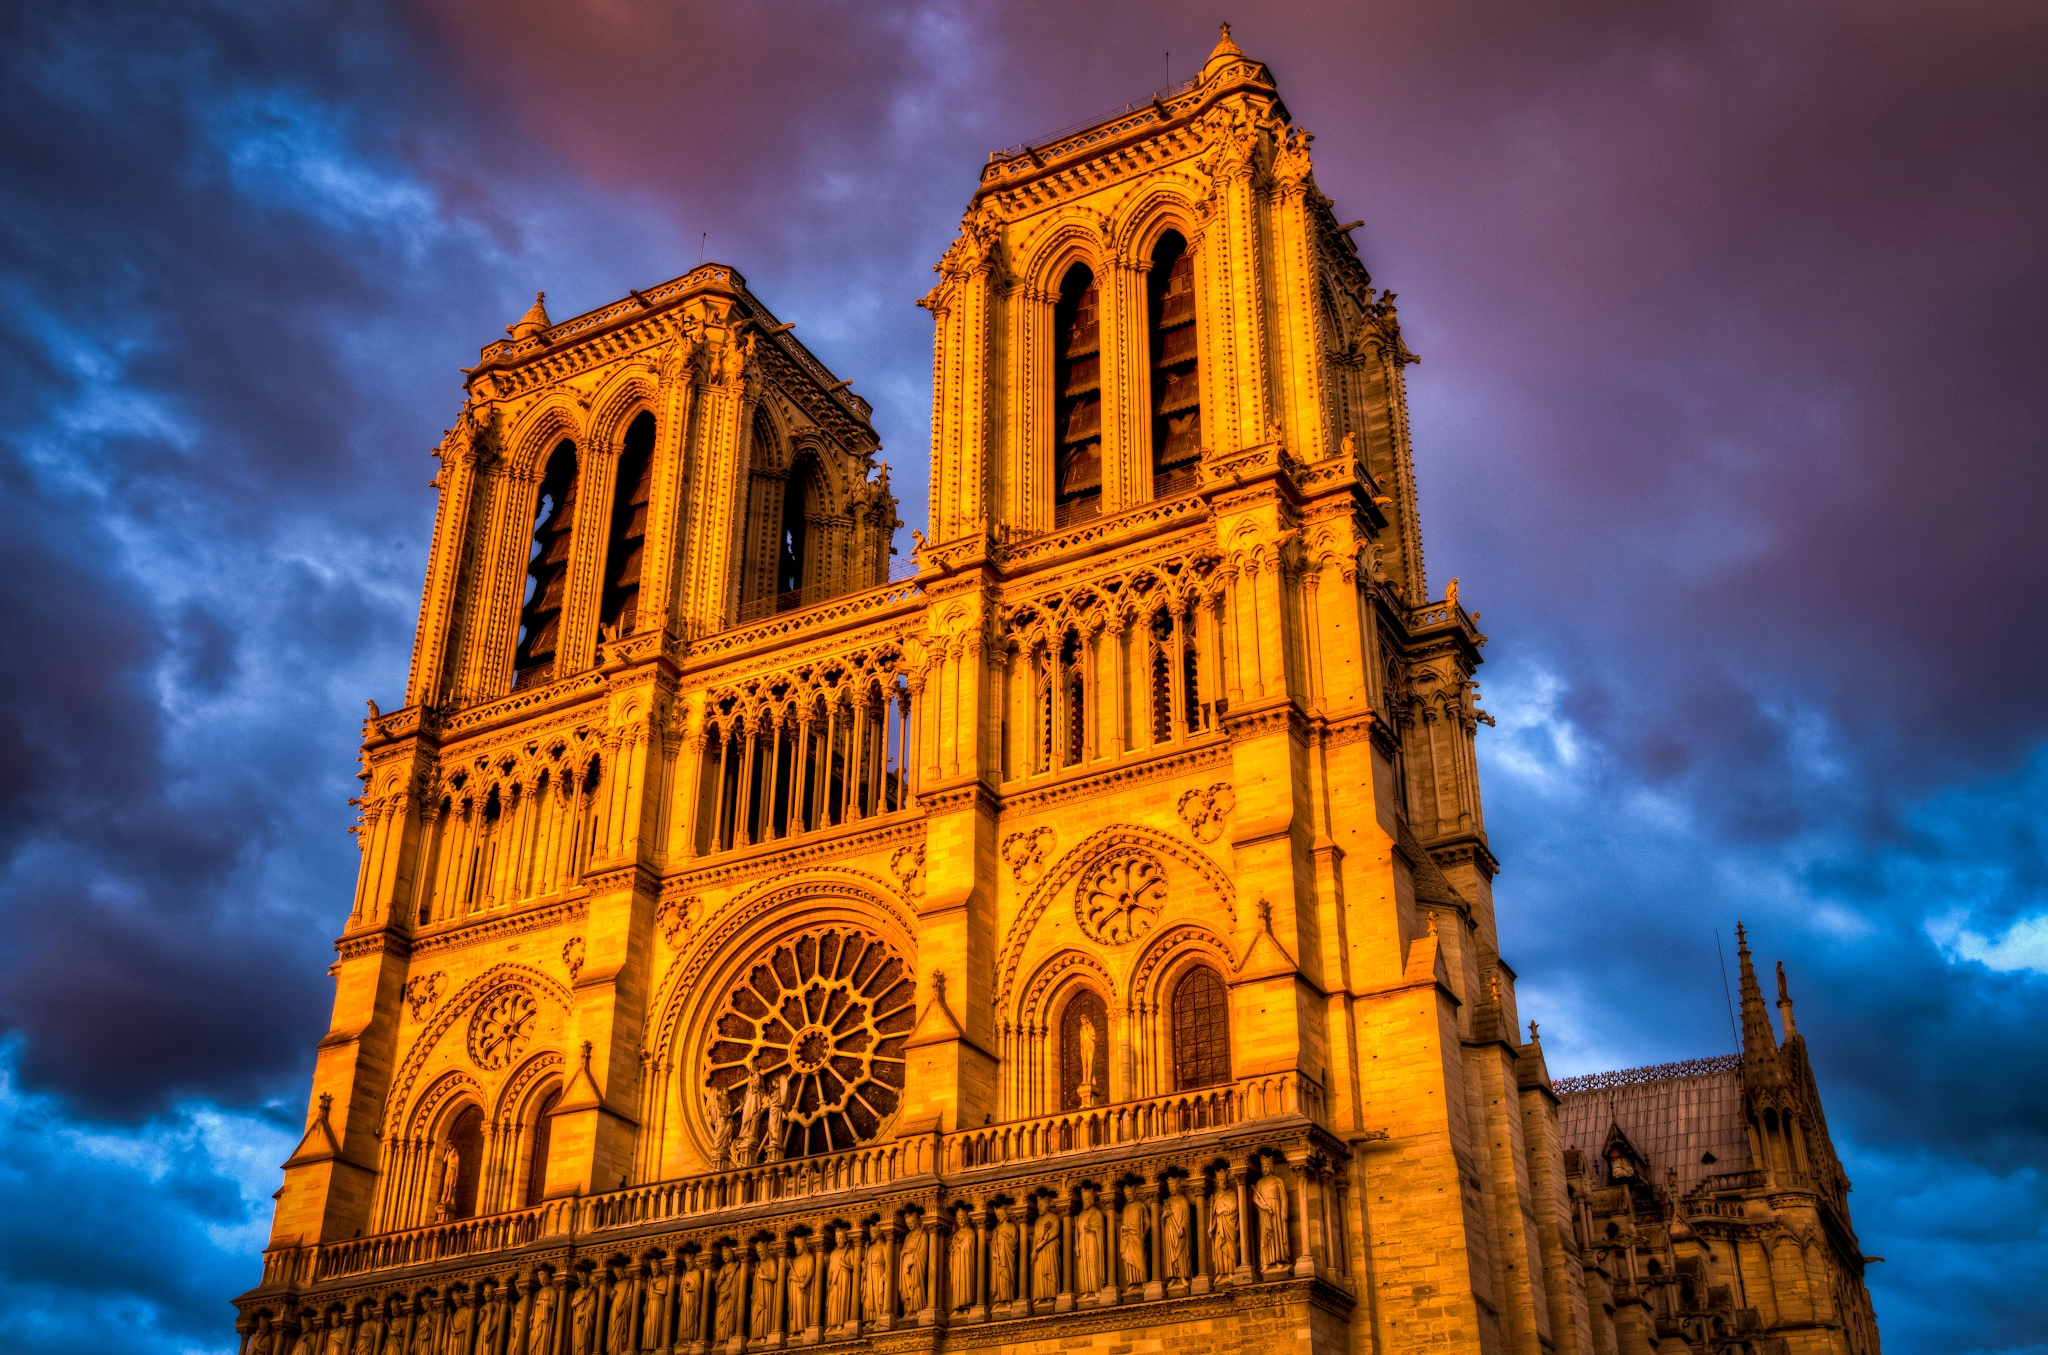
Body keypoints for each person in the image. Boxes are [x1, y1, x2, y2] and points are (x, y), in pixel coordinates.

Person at [1253, 1167, 1288, 1270]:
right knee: (1265, 1236)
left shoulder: (1278, 1180)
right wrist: (1262, 1206)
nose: (1265, 1169)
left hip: (1276, 1210)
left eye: (1267, 1166)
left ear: (1272, 1168)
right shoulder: (1260, 1182)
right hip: (1264, 1212)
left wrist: (1284, 1211)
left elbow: (1283, 1198)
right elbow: (1255, 1197)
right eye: (1263, 1167)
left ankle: (1278, 1260)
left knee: (1277, 1234)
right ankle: (1266, 1263)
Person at [1075, 1187, 1106, 1292]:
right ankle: (1086, 1290)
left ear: (1092, 1200)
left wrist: (1091, 1228)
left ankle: (1096, 1288)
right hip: (1082, 1241)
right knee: (1084, 1266)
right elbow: (1078, 1232)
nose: (1085, 1202)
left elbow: (1100, 1229)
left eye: (1087, 1199)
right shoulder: (1081, 1215)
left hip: (1092, 1240)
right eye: (1083, 1200)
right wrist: (1077, 1245)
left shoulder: (1097, 1213)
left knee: (1093, 1263)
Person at [1162, 1178, 1192, 1280]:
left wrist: (1182, 1227)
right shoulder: (1167, 1203)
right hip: (1169, 1232)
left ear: (1178, 1186)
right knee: (1170, 1254)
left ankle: (1183, 1275)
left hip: (1179, 1231)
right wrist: (1164, 1215)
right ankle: (1173, 1277)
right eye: (1170, 1187)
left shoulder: (1183, 1201)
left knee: (1182, 1253)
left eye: (1173, 1186)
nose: (1172, 1188)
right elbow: (1162, 1221)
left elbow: (1187, 1218)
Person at [826, 1227, 856, 1328]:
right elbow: (830, 1270)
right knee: (833, 1301)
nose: (839, 1240)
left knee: (842, 1299)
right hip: (835, 1278)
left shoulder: (850, 1251)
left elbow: (854, 1267)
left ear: (845, 1239)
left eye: (841, 1238)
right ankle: (831, 1323)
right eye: (837, 1238)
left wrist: (845, 1265)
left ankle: (841, 1322)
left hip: (844, 1276)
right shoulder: (833, 1253)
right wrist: (828, 1283)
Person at [990, 1205, 1019, 1304]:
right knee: (999, 1278)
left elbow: (1015, 1243)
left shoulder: (1011, 1227)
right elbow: (993, 1244)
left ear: (1004, 1215)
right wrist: (994, 1252)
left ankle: (1008, 1299)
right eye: (997, 1215)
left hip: (1007, 1257)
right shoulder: (997, 1229)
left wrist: (1007, 1236)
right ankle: (998, 1300)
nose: (998, 1217)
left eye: (999, 1215)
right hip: (998, 1258)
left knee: (1007, 1277)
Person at [1118, 1190, 1149, 1286]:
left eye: (1130, 1194)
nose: (1129, 1197)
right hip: (1128, 1237)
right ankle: (1132, 1282)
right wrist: (1123, 1228)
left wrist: (1144, 1234)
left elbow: (1148, 1222)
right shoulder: (1126, 1208)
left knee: (1140, 1258)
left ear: (1135, 1193)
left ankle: (1143, 1280)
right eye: (1127, 1195)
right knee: (1129, 1260)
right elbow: (1123, 1224)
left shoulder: (1141, 1205)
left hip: (1137, 1236)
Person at [1210, 1182, 1241, 1276]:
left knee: (1230, 1247)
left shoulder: (1232, 1194)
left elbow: (1236, 1207)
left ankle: (1231, 1271)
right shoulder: (1216, 1196)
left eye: (1223, 1179)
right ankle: (1221, 1272)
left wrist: (1223, 1209)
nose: (1222, 1182)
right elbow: (1215, 1216)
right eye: (1219, 1180)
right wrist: (1212, 1227)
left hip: (1230, 1225)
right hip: (1219, 1228)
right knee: (1218, 1248)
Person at [713, 1246, 743, 1341]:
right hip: (722, 1294)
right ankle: (720, 1339)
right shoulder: (723, 1268)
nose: (725, 1257)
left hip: (731, 1296)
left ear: (731, 1256)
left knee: (728, 1316)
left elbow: (737, 1283)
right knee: (719, 1318)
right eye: (724, 1255)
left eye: (727, 1255)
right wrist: (718, 1287)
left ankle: (728, 1337)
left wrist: (730, 1292)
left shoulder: (736, 1267)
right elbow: (719, 1280)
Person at [787, 1236, 816, 1331]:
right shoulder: (795, 1260)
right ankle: (794, 1329)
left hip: (802, 1286)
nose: (797, 1248)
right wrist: (791, 1277)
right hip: (794, 1286)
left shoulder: (809, 1258)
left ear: (804, 1245)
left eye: (798, 1245)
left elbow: (810, 1272)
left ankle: (802, 1328)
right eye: (796, 1246)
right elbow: (791, 1274)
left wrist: (804, 1283)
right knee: (794, 1307)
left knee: (800, 1306)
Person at [1031, 1207, 1061, 1298]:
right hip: (1040, 1250)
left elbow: (1055, 1233)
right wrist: (1034, 1251)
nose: (1039, 1207)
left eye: (1042, 1205)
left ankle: (1051, 1295)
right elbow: (1036, 1239)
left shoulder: (1054, 1218)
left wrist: (1044, 1241)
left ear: (1047, 1206)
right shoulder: (1037, 1221)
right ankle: (1040, 1296)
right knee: (1039, 1270)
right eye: (1038, 1205)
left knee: (1050, 1268)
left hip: (1050, 1247)